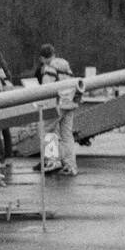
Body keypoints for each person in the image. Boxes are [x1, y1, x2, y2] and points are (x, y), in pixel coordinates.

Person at [36, 43, 79, 176]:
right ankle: (70, 165)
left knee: (47, 130)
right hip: (69, 103)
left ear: (43, 58)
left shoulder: (50, 69)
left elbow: (47, 89)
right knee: (67, 135)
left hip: (57, 104)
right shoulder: (66, 67)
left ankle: (52, 161)